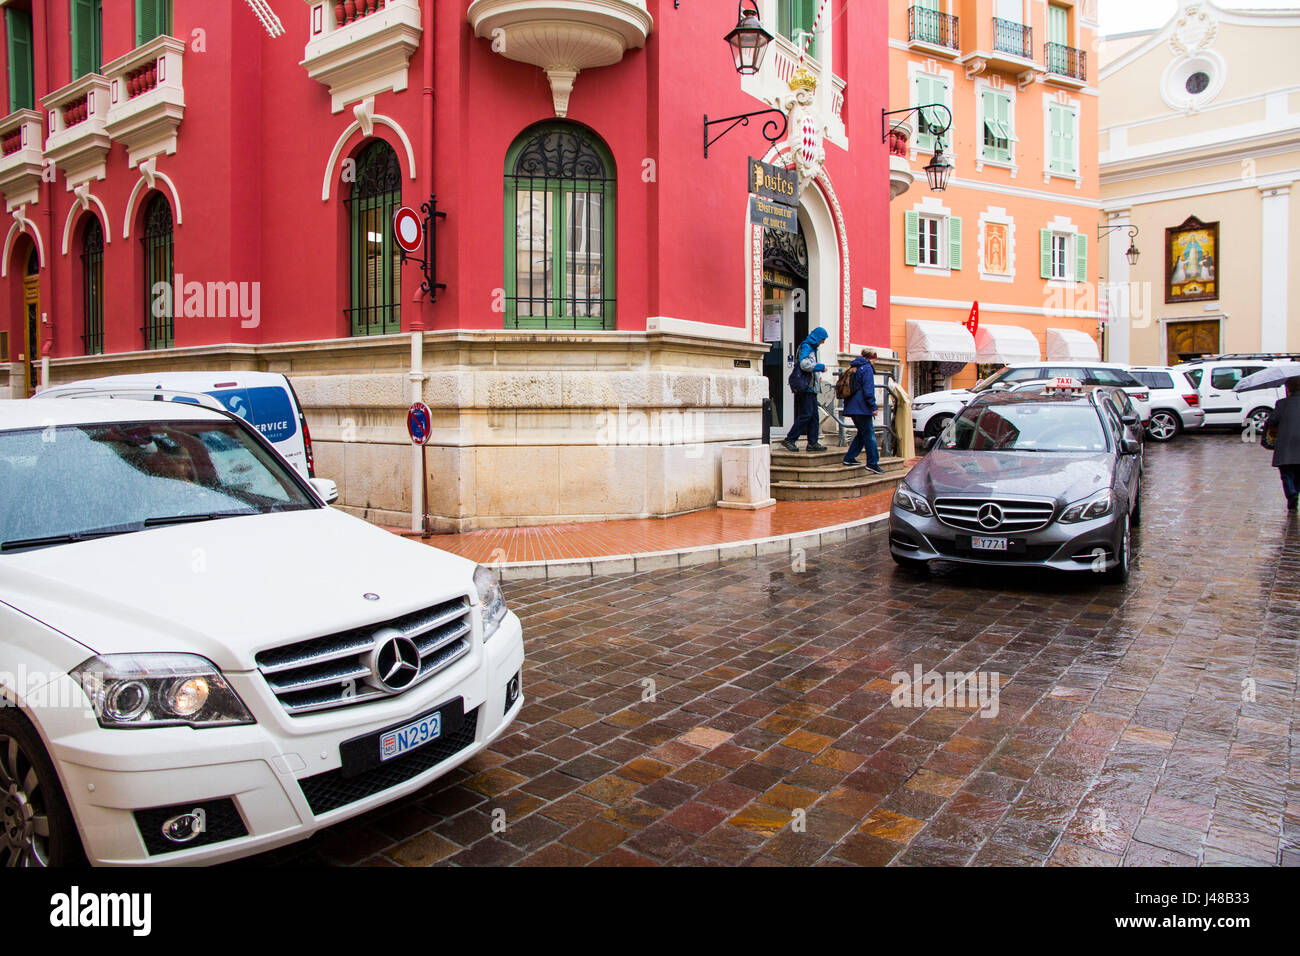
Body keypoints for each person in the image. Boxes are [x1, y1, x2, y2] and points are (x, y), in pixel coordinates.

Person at [782, 327, 828, 452]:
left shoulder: (812, 348)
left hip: (811, 387)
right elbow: (804, 365)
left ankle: (813, 442)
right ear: (818, 338)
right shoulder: (807, 346)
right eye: (822, 339)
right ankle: (790, 439)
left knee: (814, 416)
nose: (822, 342)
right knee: (806, 414)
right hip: (806, 387)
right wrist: (820, 367)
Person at [842, 349, 883, 474]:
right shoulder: (867, 368)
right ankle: (872, 463)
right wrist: (873, 406)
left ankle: (849, 458)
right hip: (862, 408)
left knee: (862, 433)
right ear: (872, 358)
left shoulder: (854, 367)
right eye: (875, 359)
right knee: (869, 435)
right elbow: (868, 390)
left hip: (852, 406)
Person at [1264, 378, 1300, 511]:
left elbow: (1272, 420)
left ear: (1288, 388)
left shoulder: (1282, 403)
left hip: (1286, 444)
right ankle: (1295, 490)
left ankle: (1292, 493)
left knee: (1286, 472)